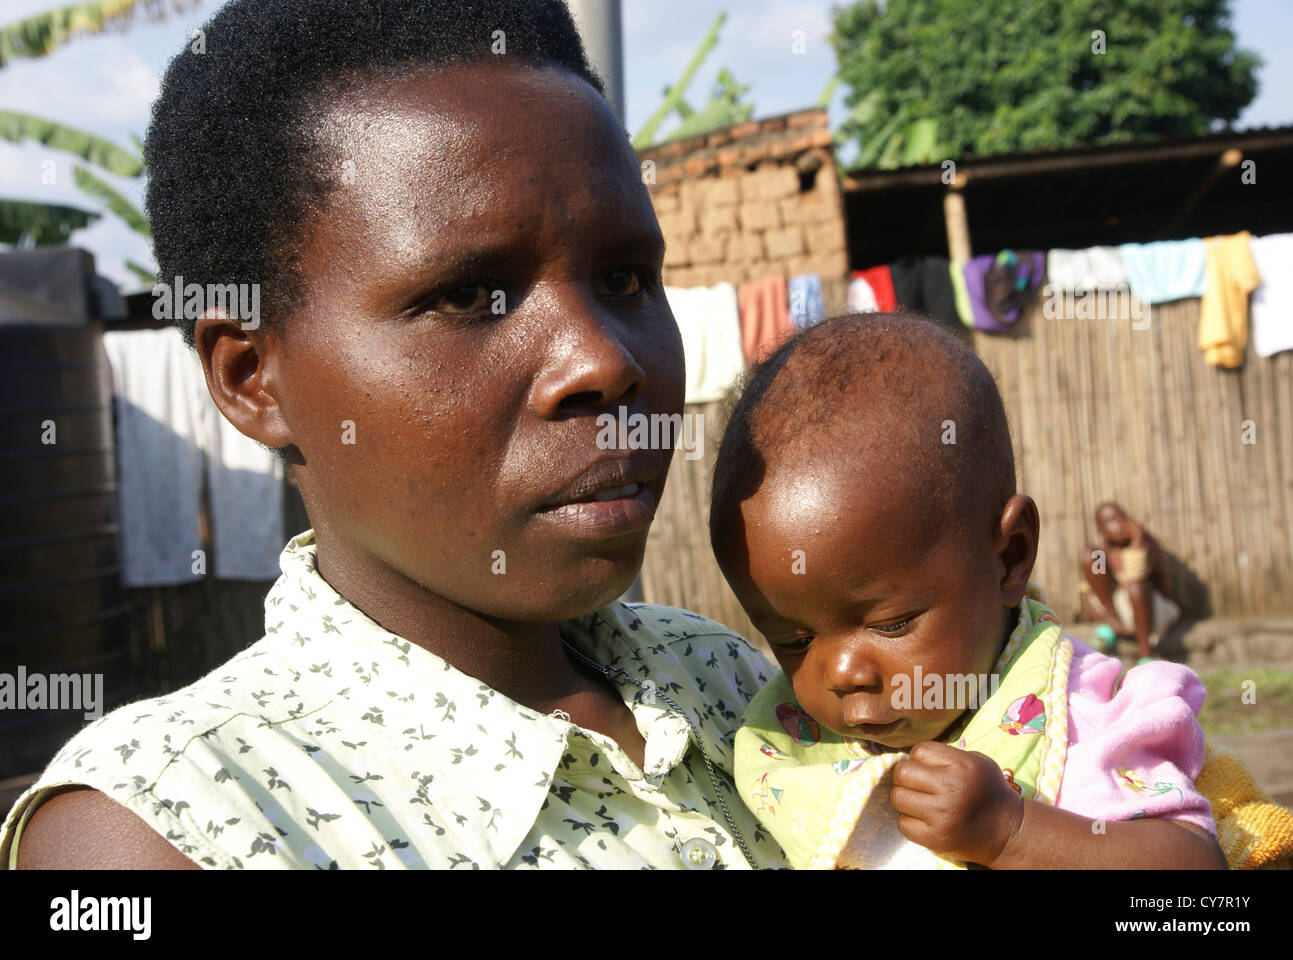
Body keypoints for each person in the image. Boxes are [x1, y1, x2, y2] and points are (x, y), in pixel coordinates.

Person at [0, 0, 790, 870]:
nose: (602, 361)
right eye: (466, 297)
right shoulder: (173, 823)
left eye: (626, 277)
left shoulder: (729, 686)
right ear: (249, 378)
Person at [709, 313, 1225, 869]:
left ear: (1010, 557)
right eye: (793, 640)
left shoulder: (1079, 719)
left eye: (891, 623)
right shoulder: (792, 750)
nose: (841, 673)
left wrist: (1011, 831)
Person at [1081, 502, 1180, 661]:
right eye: (1111, 520)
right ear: (1101, 530)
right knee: (1090, 555)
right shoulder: (1101, 553)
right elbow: (1089, 594)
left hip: (1150, 612)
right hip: (1116, 613)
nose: (1120, 523)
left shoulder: (1145, 544)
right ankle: (1113, 625)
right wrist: (1109, 618)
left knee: (1135, 587)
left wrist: (1137, 542)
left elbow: (1135, 576)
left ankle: (1146, 653)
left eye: (1122, 517)